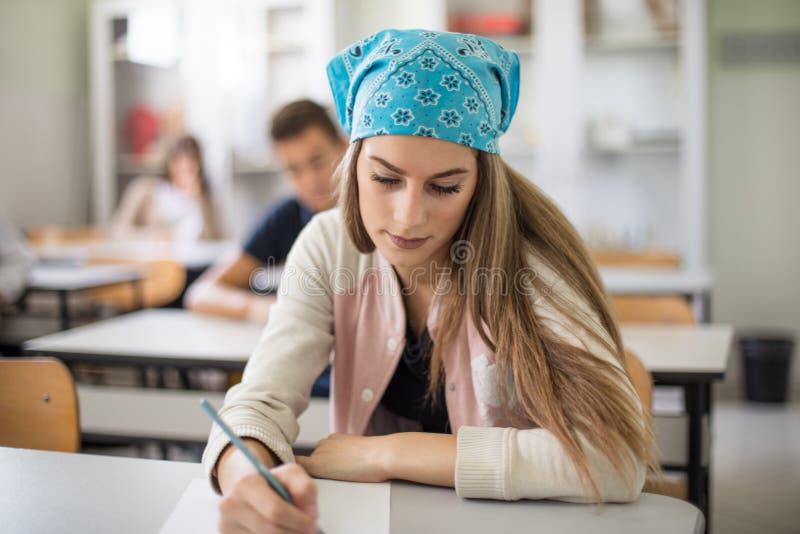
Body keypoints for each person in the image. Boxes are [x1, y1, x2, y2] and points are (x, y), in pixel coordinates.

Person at [204, 29, 658, 534]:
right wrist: (244, 475)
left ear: (481, 182)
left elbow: (615, 456)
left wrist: (389, 455)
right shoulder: (327, 244)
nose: (407, 217)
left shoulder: (531, 263)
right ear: (353, 164)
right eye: (385, 179)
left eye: (445, 187)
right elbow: (260, 402)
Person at [185, 100, 347, 323]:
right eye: (294, 169)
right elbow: (201, 293)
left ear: (344, 146)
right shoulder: (287, 217)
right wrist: (263, 308)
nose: (309, 180)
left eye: (317, 162)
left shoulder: (376, 212)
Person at [111, 135, 220, 241]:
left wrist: (199, 201)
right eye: (179, 161)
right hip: (155, 258)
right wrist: (150, 236)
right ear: (169, 163)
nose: (184, 167)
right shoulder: (145, 190)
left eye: (191, 164)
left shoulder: (205, 199)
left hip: (192, 258)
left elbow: (218, 238)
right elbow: (117, 231)